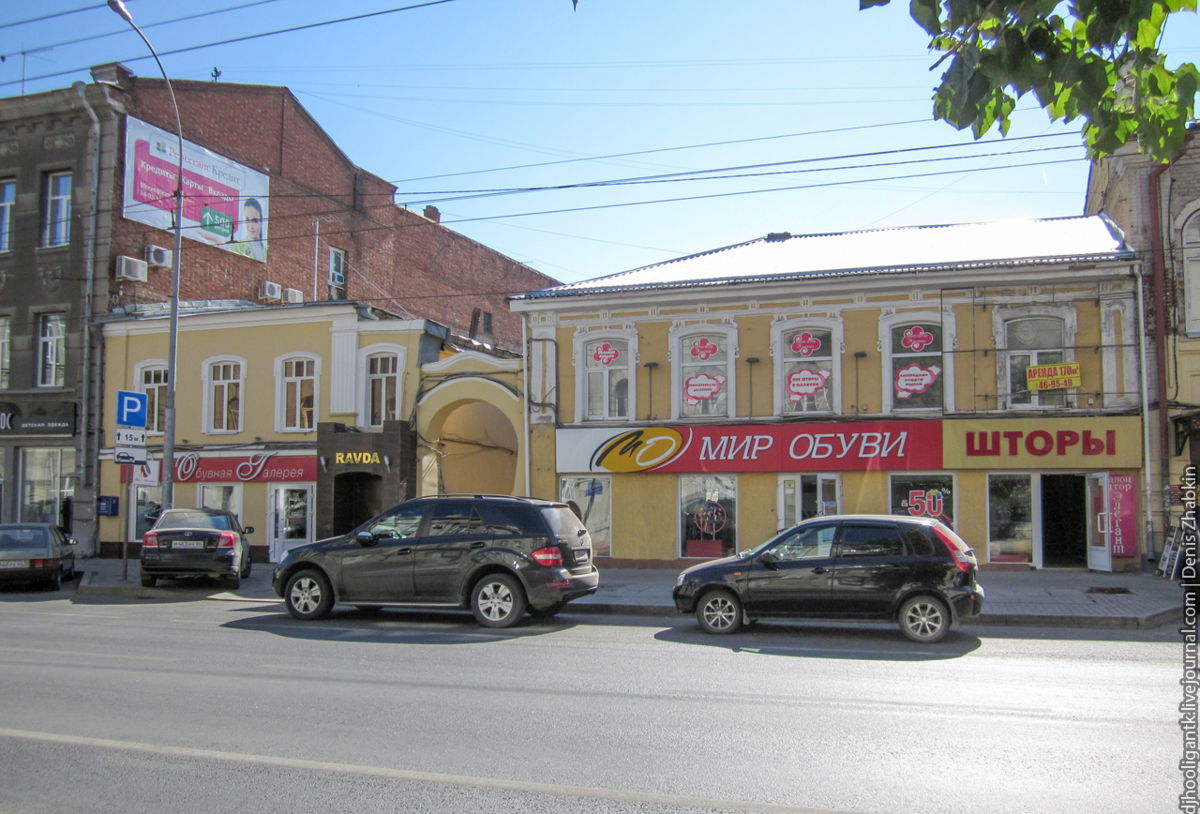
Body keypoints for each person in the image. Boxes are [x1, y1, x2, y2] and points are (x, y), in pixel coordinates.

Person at [232, 197, 267, 261]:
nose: (251, 227)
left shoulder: (266, 253)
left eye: (255, 221)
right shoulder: (236, 247)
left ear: (261, 221)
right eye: (247, 220)